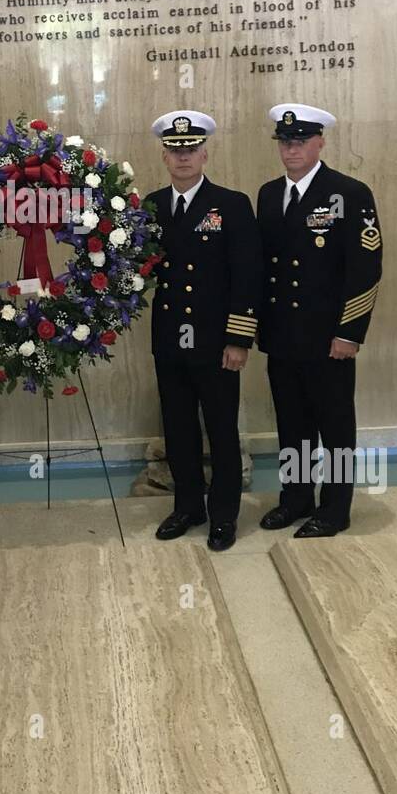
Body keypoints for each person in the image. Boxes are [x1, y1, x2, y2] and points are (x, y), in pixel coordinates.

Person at [256, 104, 383, 538]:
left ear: (320, 142)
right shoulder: (269, 195)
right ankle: (295, 499)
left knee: (335, 428)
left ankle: (335, 508)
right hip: (282, 337)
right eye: (285, 142)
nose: (291, 149)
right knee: (292, 425)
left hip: (329, 338)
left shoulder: (349, 192)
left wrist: (349, 333)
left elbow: (366, 269)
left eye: (301, 141)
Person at [144, 111, 262, 551]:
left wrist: (238, 339)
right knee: (178, 429)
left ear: (204, 153)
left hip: (216, 343)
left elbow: (247, 275)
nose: (183, 158)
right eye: (175, 151)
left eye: (191, 150)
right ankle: (188, 506)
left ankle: (224, 515)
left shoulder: (230, 204)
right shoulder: (151, 206)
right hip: (170, 340)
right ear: (164, 156)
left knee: (221, 429)